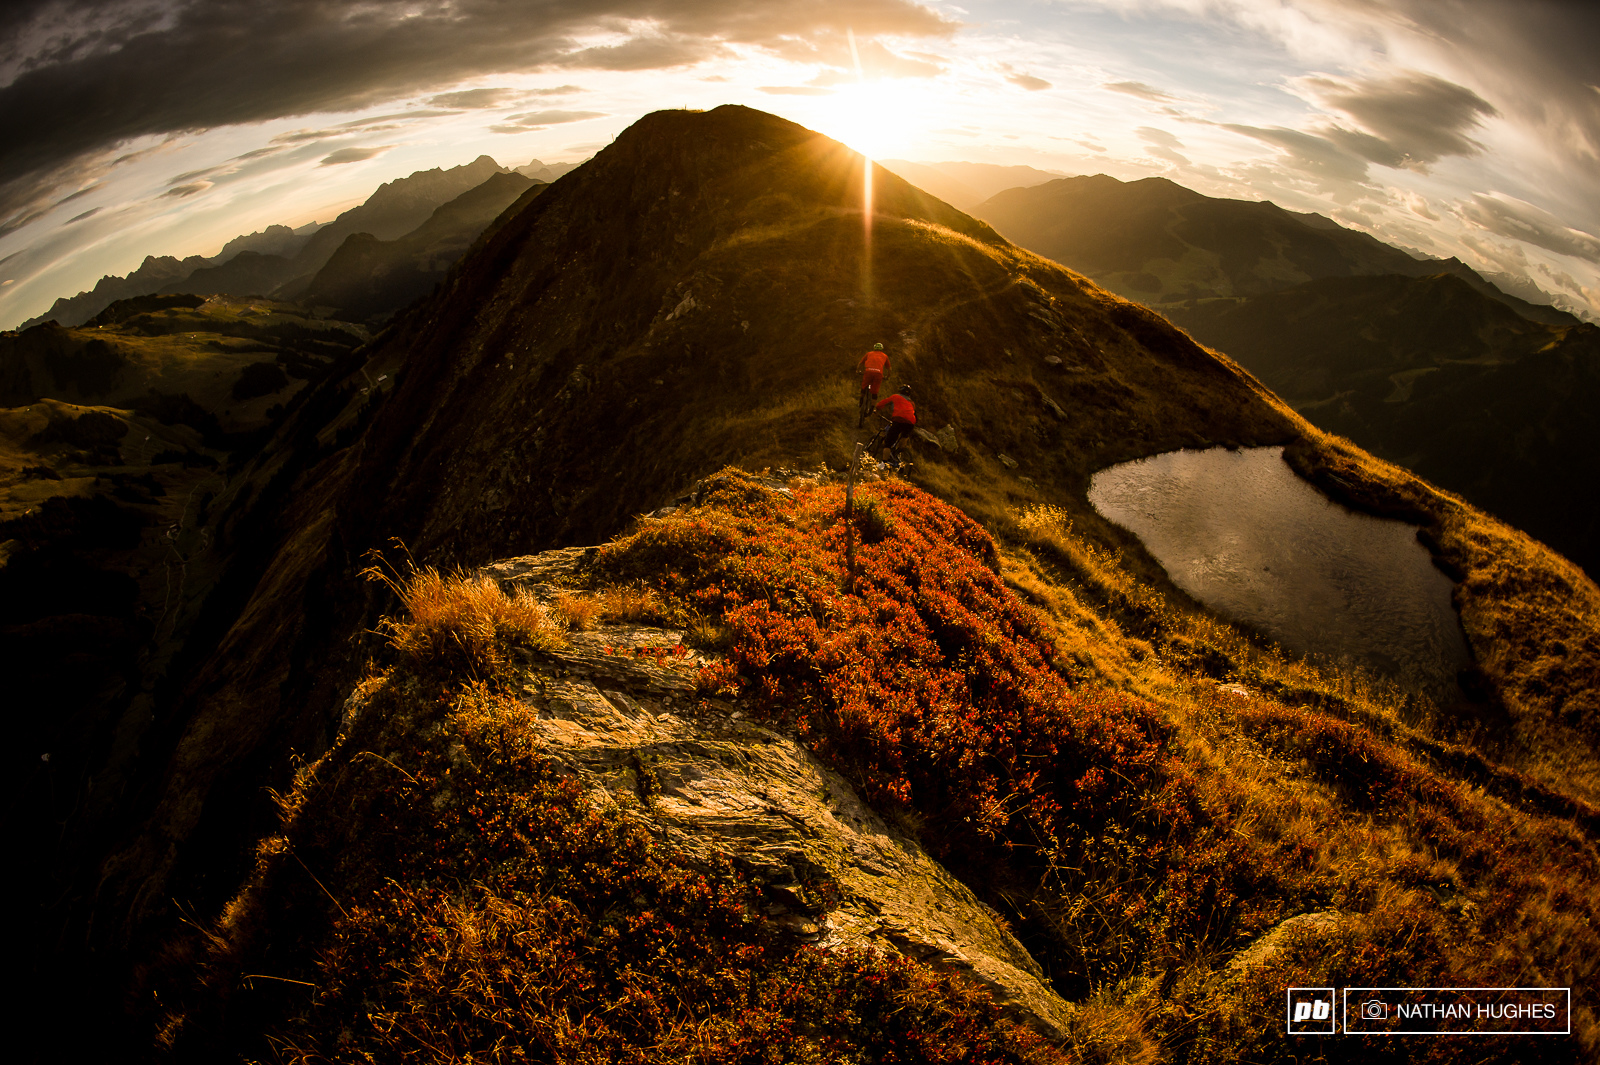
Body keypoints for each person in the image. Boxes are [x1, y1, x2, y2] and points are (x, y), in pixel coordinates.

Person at [873, 385, 916, 463]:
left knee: (888, 444)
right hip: (911, 422)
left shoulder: (895, 396)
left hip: (898, 419)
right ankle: (899, 453)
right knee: (904, 436)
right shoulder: (911, 402)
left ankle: (883, 464)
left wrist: (877, 408)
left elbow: (883, 403)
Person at [855, 343, 890, 427]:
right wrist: (887, 376)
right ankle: (871, 409)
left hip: (868, 372)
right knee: (874, 392)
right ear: (881, 349)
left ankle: (861, 399)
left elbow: (860, 363)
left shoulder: (869, 354)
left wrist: (858, 371)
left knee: (864, 386)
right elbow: (889, 368)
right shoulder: (885, 356)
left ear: (874, 348)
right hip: (878, 374)